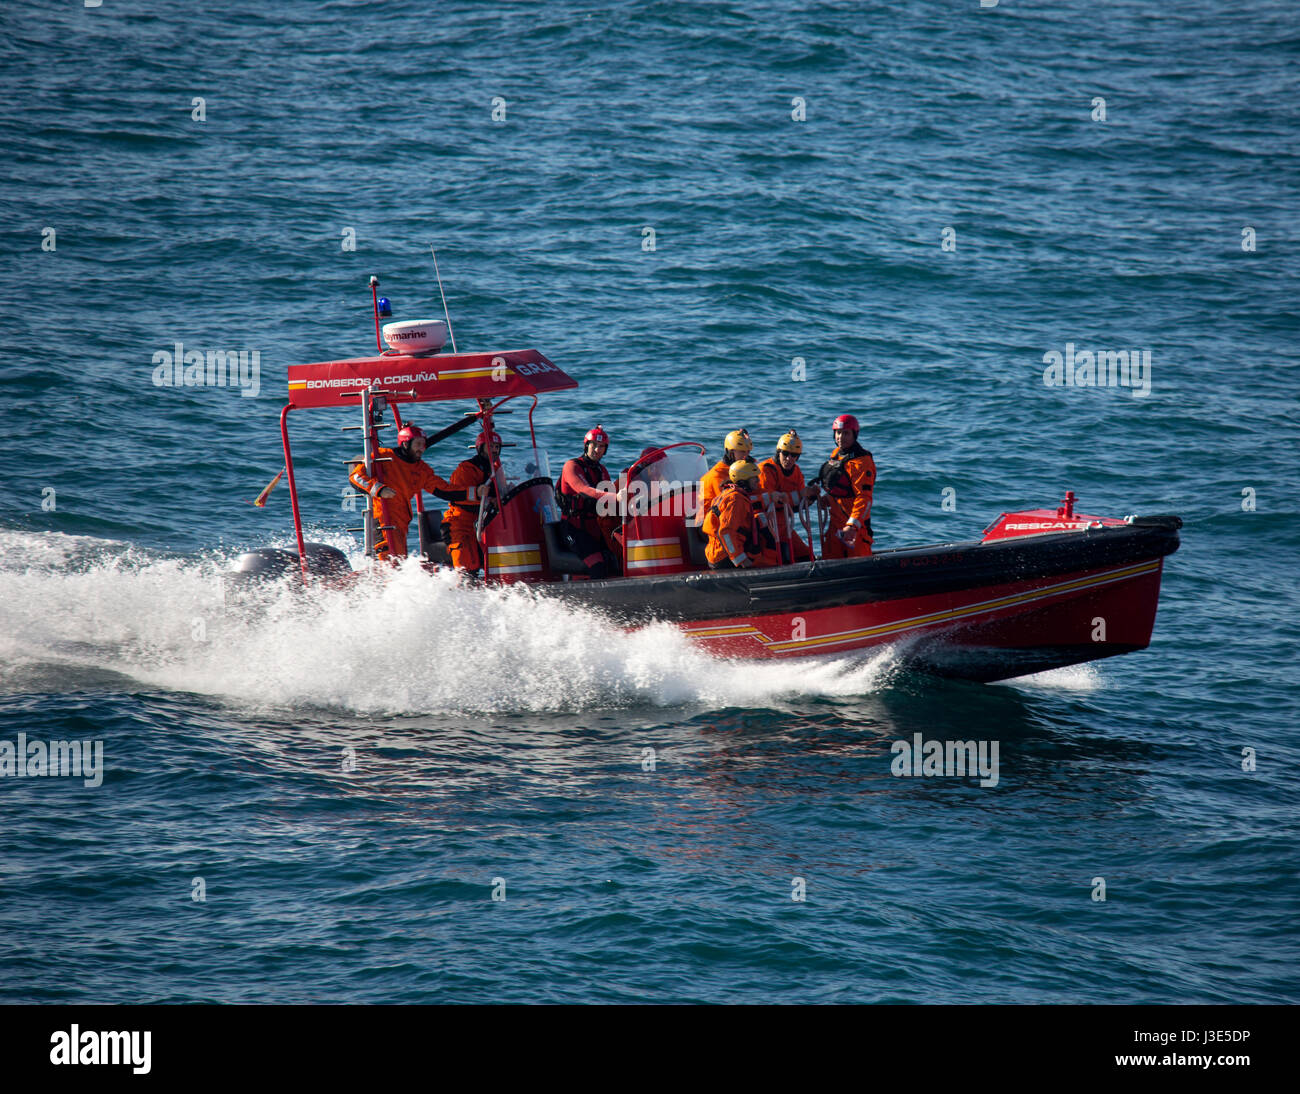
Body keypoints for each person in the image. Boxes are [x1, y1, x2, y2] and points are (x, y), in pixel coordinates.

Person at [348, 423, 480, 562]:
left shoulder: (421, 470)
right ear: (405, 444)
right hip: (382, 520)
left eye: (423, 444)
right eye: (418, 444)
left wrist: (476, 492)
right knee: (387, 565)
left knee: (398, 564)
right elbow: (356, 477)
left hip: (402, 524)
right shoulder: (383, 456)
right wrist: (379, 489)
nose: (422, 449)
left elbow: (445, 491)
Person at [557, 424, 621, 578]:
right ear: (586, 445)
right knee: (597, 563)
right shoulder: (571, 466)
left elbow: (610, 500)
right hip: (573, 529)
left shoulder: (602, 470)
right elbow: (585, 490)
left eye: (602, 447)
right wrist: (615, 497)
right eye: (594, 445)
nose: (598, 450)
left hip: (596, 528)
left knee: (620, 558)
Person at [817, 414, 875, 559]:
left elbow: (864, 498)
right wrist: (827, 498)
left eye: (846, 433)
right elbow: (838, 483)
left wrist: (852, 525)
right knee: (829, 560)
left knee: (858, 564)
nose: (841, 437)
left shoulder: (862, 462)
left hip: (854, 529)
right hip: (834, 526)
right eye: (838, 433)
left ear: (854, 434)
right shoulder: (836, 454)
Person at [444, 429, 501, 572]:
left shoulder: (496, 470)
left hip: (483, 524)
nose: (494, 450)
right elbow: (458, 496)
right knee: (467, 570)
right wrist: (487, 499)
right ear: (480, 448)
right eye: (490, 446)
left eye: (497, 447)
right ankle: (461, 591)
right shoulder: (466, 470)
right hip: (460, 524)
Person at [702, 459, 776, 570]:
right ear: (743, 481)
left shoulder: (733, 494)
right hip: (723, 556)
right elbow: (725, 532)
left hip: (724, 552)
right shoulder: (735, 500)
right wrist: (740, 560)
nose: (757, 480)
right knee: (770, 562)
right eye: (754, 478)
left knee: (761, 520)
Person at [757, 430, 817, 564]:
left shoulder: (797, 472)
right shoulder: (766, 470)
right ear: (779, 452)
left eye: (794, 455)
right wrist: (800, 495)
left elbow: (798, 505)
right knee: (783, 556)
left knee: (807, 555)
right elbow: (769, 502)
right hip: (767, 526)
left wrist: (810, 497)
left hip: (785, 526)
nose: (789, 458)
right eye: (785, 454)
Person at [698, 429, 753, 517]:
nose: (746, 456)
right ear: (731, 452)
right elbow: (730, 501)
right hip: (709, 523)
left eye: (748, 452)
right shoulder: (717, 476)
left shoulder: (742, 468)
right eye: (742, 451)